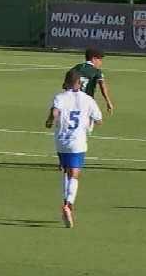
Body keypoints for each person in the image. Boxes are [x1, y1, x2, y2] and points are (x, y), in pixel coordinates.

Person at [46, 68, 104, 228]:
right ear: (80, 83)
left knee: (66, 171)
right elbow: (99, 120)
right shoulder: (88, 99)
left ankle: (66, 203)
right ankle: (68, 204)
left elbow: (55, 111)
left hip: (61, 140)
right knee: (75, 175)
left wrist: (51, 120)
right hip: (78, 141)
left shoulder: (59, 97)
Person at [75, 47, 115, 113]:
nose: (101, 63)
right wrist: (108, 102)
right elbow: (102, 86)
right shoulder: (96, 71)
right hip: (87, 101)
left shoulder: (76, 68)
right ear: (94, 59)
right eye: (100, 60)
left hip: (73, 100)